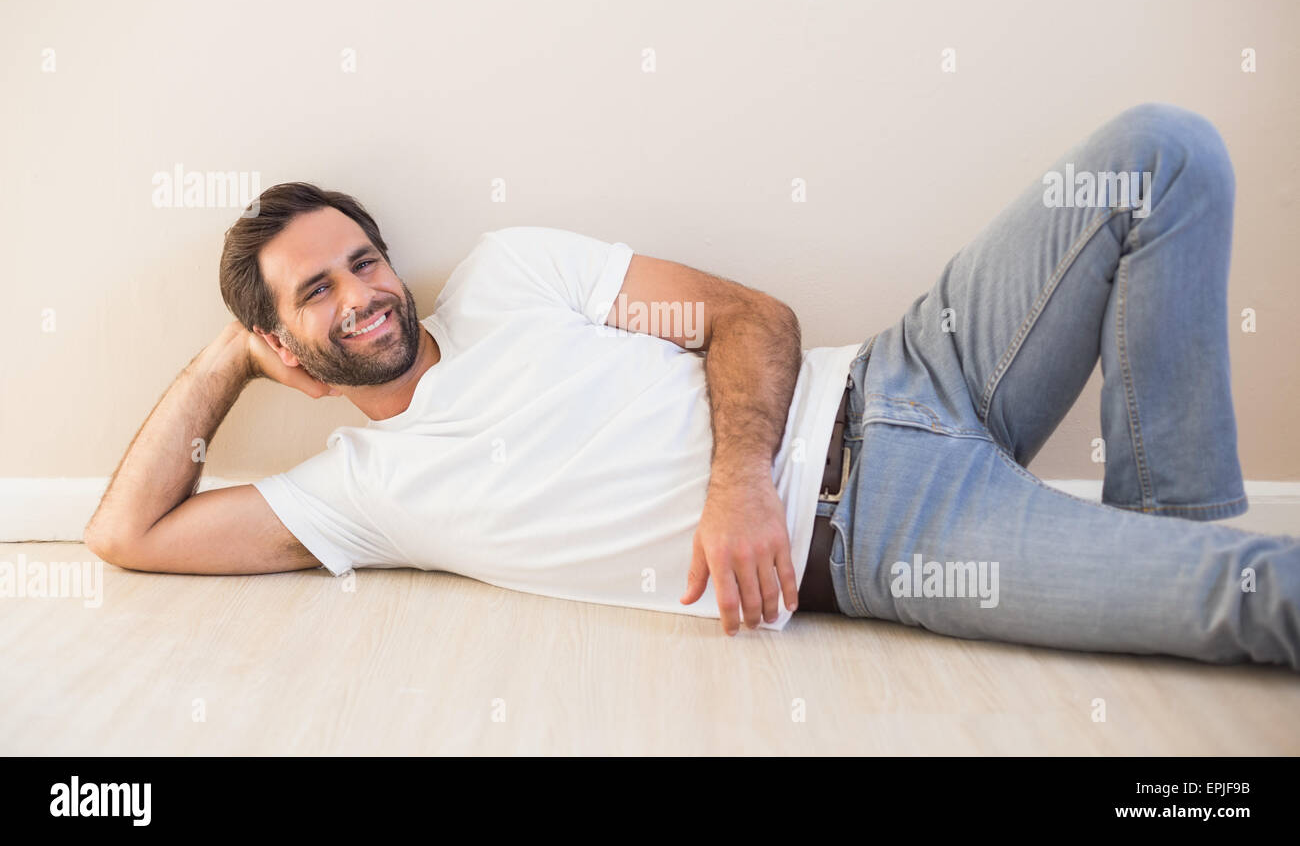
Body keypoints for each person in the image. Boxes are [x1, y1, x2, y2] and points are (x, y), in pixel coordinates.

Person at [84, 102, 1300, 671]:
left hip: (909, 369)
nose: (363, 291)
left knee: (1161, 153)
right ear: (290, 351)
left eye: (364, 259)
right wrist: (225, 355)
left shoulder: (511, 275)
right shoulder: (356, 492)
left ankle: (1163, 533)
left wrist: (736, 482)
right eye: (315, 292)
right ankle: (1178, 572)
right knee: (1254, 596)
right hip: (890, 530)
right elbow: (126, 532)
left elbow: (751, 316)